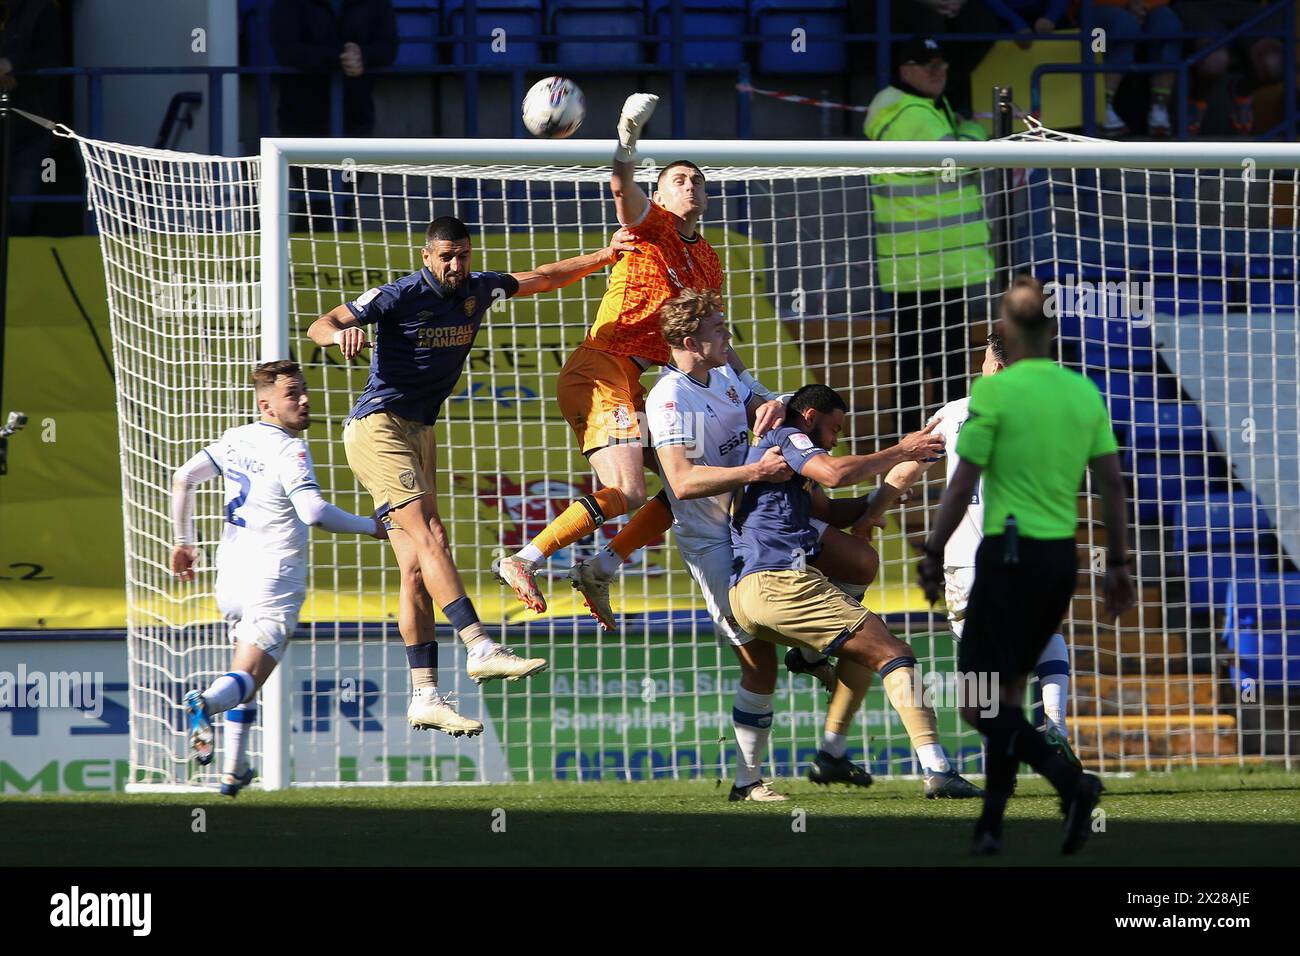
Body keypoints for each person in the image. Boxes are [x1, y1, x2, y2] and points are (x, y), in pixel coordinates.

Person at [307, 216, 633, 734]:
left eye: (463, 255)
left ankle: (425, 695)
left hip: (420, 432)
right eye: (446, 257)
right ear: (426, 256)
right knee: (433, 534)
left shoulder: (479, 290)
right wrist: (340, 335)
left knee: (415, 566)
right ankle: (479, 645)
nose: (456, 266)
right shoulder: (397, 295)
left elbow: (543, 277)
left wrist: (605, 256)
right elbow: (320, 324)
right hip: (378, 428)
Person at [496, 94, 783, 626]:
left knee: (685, 482)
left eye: (697, 180)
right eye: (678, 180)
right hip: (601, 365)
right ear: (658, 195)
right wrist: (626, 137)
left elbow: (714, 337)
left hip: (635, 379)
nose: (690, 186)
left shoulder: (710, 261)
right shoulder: (649, 227)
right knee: (627, 490)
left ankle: (600, 568)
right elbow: (620, 187)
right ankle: (522, 559)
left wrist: (753, 389)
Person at [918, 277, 1136, 855]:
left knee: (982, 702)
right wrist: (1117, 562)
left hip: (1003, 559)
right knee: (1009, 695)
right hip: (1058, 558)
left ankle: (1067, 782)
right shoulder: (1080, 393)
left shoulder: (991, 399)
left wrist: (933, 547)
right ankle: (993, 822)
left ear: (1005, 337)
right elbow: (1112, 483)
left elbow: (963, 482)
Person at [728, 384, 983, 798]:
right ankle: (938, 771)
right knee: (895, 653)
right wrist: (902, 451)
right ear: (810, 417)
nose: (836, 439)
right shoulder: (789, 435)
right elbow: (834, 472)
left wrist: (875, 502)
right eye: (834, 429)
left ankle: (832, 749)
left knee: (864, 641)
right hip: (779, 583)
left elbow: (827, 511)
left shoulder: (786, 461)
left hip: (751, 595)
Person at [172, 360, 386, 796]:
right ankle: (205, 703)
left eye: (304, 391)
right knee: (248, 675)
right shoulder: (289, 449)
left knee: (244, 671)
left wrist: (183, 542)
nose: (305, 400)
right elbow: (313, 513)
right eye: (293, 394)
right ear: (267, 404)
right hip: (275, 575)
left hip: (230, 575)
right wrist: (372, 526)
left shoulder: (235, 438)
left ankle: (233, 770)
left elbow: (184, 478)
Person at [927, 328, 1078, 763]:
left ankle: (999, 752)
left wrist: (873, 510)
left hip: (965, 564)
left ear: (992, 365)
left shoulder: (952, 413)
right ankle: (1054, 725)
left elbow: (907, 466)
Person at [863, 37, 994, 443]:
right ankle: (927, 439)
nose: (937, 71)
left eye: (941, 64)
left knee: (926, 354)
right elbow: (957, 162)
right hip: (925, 260)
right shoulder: (911, 112)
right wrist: (977, 128)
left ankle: (921, 438)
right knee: (936, 356)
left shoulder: (920, 106)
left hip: (930, 261)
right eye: (925, 64)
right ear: (904, 70)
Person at [268, 0, 398, 227]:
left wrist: (363, 55)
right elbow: (287, 50)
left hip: (354, 117)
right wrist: (339, 57)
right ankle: (301, 260)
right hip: (302, 120)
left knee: (347, 198)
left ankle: (346, 259)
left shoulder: (375, 4)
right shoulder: (288, 5)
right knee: (316, 201)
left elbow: (388, 47)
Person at [0, 0, 67, 235]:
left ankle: (18, 261)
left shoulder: (40, 10)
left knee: (21, 207)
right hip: (15, 121)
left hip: (32, 124)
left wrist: (11, 66)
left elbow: (51, 55)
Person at [1172, 0, 1287, 135]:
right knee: (1214, 61)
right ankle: (1198, 99)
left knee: (1273, 64)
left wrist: (1277, 23)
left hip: (1249, 8)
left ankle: (1242, 89)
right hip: (1198, 7)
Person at [1090, 0, 1182, 137]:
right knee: (1124, 24)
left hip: (1146, 7)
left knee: (1168, 23)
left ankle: (1159, 108)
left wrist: (1143, 4)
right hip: (1094, 11)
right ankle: (1101, 108)